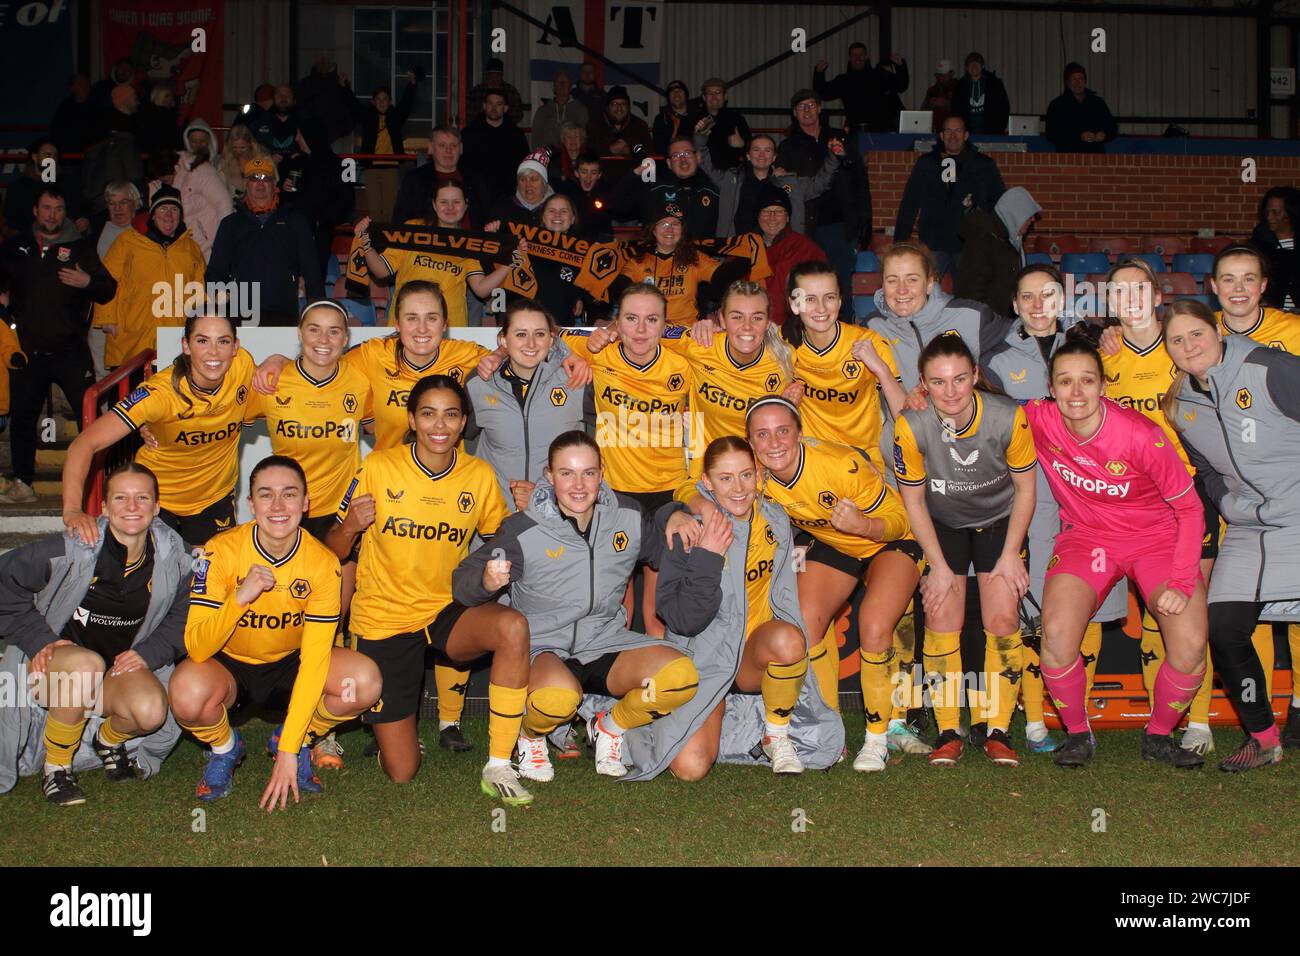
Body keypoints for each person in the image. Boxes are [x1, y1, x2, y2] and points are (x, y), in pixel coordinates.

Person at [327, 375, 535, 803]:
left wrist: (530, 513)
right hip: (384, 618)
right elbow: (332, 548)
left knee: (512, 627)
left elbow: (502, 537)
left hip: (446, 610)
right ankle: (385, 734)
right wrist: (350, 526)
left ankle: (499, 763)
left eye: (451, 414)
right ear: (411, 419)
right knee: (403, 772)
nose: (439, 425)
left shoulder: (478, 474)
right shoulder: (378, 467)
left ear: (462, 424)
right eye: (428, 413)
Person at [453, 432, 699, 780]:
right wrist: (486, 582)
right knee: (557, 700)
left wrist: (674, 513)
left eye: (589, 472)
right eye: (567, 473)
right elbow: (462, 583)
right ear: (549, 476)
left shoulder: (625, 517)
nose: (579, 485)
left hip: (604, 640)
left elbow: (664, 546)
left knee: (680, 677)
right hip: (544, 646)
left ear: (602, 474)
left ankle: (610, 726)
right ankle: (530, 736)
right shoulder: (522, 529)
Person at [1027, 339, 1208, 769]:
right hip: (1089, 538)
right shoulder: (1036, 419)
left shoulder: (1141, 435)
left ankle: (1159, 735)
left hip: (1155, 538)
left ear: (1104, 386)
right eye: (1065, 382)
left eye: (1086, 381)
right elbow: (973, 408)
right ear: (1050, 388)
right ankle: (1077, 734)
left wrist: (1182, 581)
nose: (1076, 393)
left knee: (1191, 644)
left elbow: (1189, 507)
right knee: (1054, 634)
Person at [624, 435, 843, 780]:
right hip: (705, 662)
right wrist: (708, 556)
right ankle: (630, 723)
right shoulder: (688, 528)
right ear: (707, 482)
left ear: (758, 473)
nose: (738, 488)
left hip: (752, 659)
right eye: (725, 478)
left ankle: (776, 735)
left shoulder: (775, 521)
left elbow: (785, 602)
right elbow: (681, 620)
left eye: (745, 474)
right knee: (690, 769)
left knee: (789, 639)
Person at [171, 456, 380, 806]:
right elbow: (196, 646)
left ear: (306, 502)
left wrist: (289, 748)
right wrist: (239, 598)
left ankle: (297, 737)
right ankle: (225, 748)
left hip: (290, 664)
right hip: (229, 666)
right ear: (251, 504)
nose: (278, 506)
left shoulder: (322, 564)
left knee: (362, 683)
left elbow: (314, 660)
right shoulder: (219, 551)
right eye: (266, 495)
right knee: (186, 694)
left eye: (290, 494)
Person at [745, 398, 921, 771]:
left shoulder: (840, 464)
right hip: (836, 542)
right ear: (751, 443)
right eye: (762, 434)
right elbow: (704, 484)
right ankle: (830, 731)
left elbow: (899, 519)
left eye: (782, 431)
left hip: (888, 539)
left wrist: (865, 526)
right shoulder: (758, 480)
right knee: (805, 623)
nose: (774, 442)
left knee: (873, 626)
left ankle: (877, 739)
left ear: (799, 433)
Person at [1162, 299, 1300, 771]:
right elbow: (1202, 469)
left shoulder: (1269, 367)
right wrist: (1225, 502)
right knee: (1223, 631)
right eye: (1176, 340)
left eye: (1196, 334)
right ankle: (1264, 739)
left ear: (1216, 331)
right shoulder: (1181, 403)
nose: (1188, 346)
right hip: (1248, 526)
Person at [0, 464, 190, 805]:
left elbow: (185, 616)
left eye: (142, 497)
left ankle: (107, 739)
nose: (132, 506)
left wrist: (150, 653)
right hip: (54, 672)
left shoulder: (176, 557)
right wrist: (38, 639)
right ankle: (56, 768)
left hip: (110, 676)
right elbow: (5, 581)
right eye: (121, 497)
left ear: (157, 506)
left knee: (150, 711)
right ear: (103, 507)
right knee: (85, 665)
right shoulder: (74, 548)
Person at [981, 264, 1113, 752]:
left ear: (1063, 299)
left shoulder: (1093, 348)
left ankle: (1077, 714)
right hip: (1028, 494)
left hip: (1087, 492)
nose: (1038, 305)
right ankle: (1035, 718)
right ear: (1015, 305)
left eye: (1048, 294)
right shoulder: (994, 359)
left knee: (1092, 603)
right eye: (1028, 297)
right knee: (1033, 604)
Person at [892, 335, 1036, 766]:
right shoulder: (911, 423)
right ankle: (949, 730)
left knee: (1003, 616)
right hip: (942, 524)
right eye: (938, 382)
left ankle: (997, 729)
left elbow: (1027, 490)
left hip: (999, 524)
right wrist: (936, 565)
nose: (950, 392)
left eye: (959, 379)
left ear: (975, 375)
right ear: (923, 383)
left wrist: (1011, 554)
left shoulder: (1009, 416)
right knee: (941, 615)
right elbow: (913, 501)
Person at [62, 313, 254, 547]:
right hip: (158, 502)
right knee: (152, 580)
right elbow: (84, 443)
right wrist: (72, 509)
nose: (213, 352)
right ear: (186, 345)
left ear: (236, 347)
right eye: (202, 341)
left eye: (223, 341)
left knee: (210, 580)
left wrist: (276, 359)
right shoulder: (158, 394)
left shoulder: (244, 365)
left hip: (214, 499)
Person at [573, 285, 691, 636]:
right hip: (615, 493)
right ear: (617, 323)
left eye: (651, 320)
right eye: (631, 319)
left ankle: (660, 682)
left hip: (667, 493)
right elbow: (545, 336)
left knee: (657, 609)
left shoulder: (685, 364)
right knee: (615, 598)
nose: (640, 330)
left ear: (665, 324)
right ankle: (612, 677)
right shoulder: (598, 352)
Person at [0, 185, 116, 505]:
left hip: (70, 350)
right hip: (27, 351)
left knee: (90, 416)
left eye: (59, 209)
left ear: (66, 213)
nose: (53, 215)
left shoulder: (80, 247)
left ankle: (98, 486)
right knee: (22, 419)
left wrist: (87, 282)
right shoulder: (15, 246)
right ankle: (23, 482)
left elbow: (108, 288)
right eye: (47, 208)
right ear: (36, 211)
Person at [244, 301, 372, 543]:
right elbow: (220, 416)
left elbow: (386, 427)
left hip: (341, 510)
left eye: (333, 331)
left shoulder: (360, 382)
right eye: (314, 329)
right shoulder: (272, 381)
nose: (323, 340)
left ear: (345, 338)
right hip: (286, 510)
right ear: (299, 333)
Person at [465, 300, 588, 511]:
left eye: (539, 334)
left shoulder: (577, 380)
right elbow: (462, 445)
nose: (531, 344)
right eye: (520, 334)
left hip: (561, 521)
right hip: (497, 522)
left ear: (551, 340)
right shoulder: (479, 383)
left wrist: (548, 498)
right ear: (503, 339)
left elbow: (597, 458)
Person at [355, 180, 520, 328]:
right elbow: (381, 270)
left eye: (456, 202)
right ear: (434, 204)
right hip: (408, 326)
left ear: (466, 205)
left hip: (451, 333)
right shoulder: (412, 229)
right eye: (443, 202)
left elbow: (481, 289)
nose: (450, 207)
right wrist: (366, 245)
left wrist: (509, 263)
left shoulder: (470, 241)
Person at [776, 91, 871, 319]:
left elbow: (860, 180)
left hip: (840, 224)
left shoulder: (840, 137)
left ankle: (844, 331)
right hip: (805, 227)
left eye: (811, 105)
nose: (807, 110)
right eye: (801, 107)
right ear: (794, 114)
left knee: (840, 284)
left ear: (819, 108)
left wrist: (864, 222)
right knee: (804, 283)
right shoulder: (788, 146)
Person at [92, 184, 205, 370]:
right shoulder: (128, 241)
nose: (169, 214)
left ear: (180, 216)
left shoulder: (191, 249)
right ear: (153, 214)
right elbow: (106, 280)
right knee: (129, 395)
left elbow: (198, 291)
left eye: (174, 209)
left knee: (170, 394)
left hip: (174, 337)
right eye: (163, 208)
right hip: (133, 334)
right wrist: (107, 318)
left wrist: (199, 326)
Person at [206, 157, 324, 326]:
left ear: (274, 184)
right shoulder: (230, 224)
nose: (260, 184)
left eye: (265, 178)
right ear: (246, 184)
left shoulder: (295, 221)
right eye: (254, 178)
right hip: (241, 315)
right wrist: (221, 306)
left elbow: (312, 270)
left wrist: (317, 312)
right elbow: (215, 271)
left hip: (284, 313)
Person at [894, 116, 1007, 279]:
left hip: (970, 245)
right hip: (933, 244)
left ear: (966, 135)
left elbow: (998, 201)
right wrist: (900, 242)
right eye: (948, 131)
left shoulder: (984, 165)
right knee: (927, 295)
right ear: (941, 135)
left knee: (968, 297)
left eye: (958, 131)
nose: (953, 136)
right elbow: (909, 203)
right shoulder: (926, 164)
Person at [696, 126, 840, 238]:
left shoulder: (788, 183)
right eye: (756, 150)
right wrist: (700, 138)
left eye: (767, 150)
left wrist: (833, 156)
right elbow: (705, 164)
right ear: (748, 155)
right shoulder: (731, 180)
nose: (762, 155)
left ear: (774, 157)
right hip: (738, 252)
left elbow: (820, 184)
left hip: (778, 253)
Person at [611, 203, 741, 326]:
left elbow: (724, 276)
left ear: (682, 230)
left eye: (675, 224)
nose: (669, 229)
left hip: (687, 331)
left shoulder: (694, 258)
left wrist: (747, 256)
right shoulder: (639, 260)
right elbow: (617, 290)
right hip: (651, 330)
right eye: (663, 223)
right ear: (653, 230)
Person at [280, 118, 356, 278]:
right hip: (295, 231)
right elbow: (288, 197)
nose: (296, 139)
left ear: (310, 136)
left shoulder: (340, 165)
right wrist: (285, 188)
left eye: (300, 134)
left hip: (319, 233)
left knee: (314, 277)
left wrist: (322, 220)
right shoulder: (299, 162)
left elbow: (346, 200)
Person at [609, 135, 721, 238]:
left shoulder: (714, 191)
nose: (683, 160)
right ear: (669, 163)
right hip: (660, 257)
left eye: (687, 153)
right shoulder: (654, 189)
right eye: (676, 155)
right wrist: (633, 175)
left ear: (698, 157)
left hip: (703, 257)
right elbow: (616, 206)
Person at [955, 186, 1043, 316]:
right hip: (987, 324)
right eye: (1029, 215)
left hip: (998, 322)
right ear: (1016, 214)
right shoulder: (984, 240)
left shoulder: (1011, 241)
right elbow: (971, 291)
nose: (1033, 219)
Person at [347, 73, 419, 225]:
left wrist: (411, 85)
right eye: (378, 99)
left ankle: (388, 241)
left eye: (385, 99)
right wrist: (344, 87)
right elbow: (353, 105)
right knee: (374, 208)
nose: (382, 102)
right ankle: (376, 240)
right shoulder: (367, 116)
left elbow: (406, 105)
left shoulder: (395, 116)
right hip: (371, 168)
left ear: (390, 101)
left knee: (390, 208)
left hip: (390, 167)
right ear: (373, 102)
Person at [392, 124, 490, 228]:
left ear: (461, 149)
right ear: (430, 148)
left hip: (471, 241)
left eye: (453, 145)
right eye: (442, 145)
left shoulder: (476, 179)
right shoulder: (414, 180)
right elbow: (399, 220)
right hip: (428, 242)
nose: (448, 150)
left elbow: (492, 212)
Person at [757, 188, 827, 328]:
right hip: (753, 326)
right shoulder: (747, 247)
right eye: (766, 211)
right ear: (758, 217)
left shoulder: (804, 248)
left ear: (788, 217)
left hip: (793, 327)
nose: (772, 217)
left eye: (779, 211)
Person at [521, 193, 594, 324]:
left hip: (565, 328)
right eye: (552, 211)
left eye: (564, 211)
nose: (557, 215)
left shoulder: (584, 252)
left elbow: (585, 286)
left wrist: (580, 297)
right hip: (529, 325)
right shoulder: (526, 246)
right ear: (543, 217)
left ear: (572, 218)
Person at [813, 42, 909, 133]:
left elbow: (901, 86)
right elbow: (823, 93)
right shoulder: (844, 81)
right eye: (854, 55)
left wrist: (900, 67)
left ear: (866, 57)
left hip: (883, 131)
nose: (858, 58)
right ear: (850, 58)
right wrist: (818, 74)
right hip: (856, 133)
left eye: (861, 55)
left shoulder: (879, 75)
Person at [173, 119, 233, 261]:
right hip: (190, 236)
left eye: (202, 141)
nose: (198, 145)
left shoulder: (218, 164)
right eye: (194, 141)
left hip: (209, 238)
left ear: (210, 141)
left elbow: (224, 205)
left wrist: (224, 239)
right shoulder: (182, 168)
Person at [461, 90, 530, 210]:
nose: (494, 108)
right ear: (484, 106)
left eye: (499, 104)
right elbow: (463, 165)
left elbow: (524, 165)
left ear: (505, 108)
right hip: (476, 196)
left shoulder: (516, 135)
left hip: (509, 195)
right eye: (490, 103)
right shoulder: (469, 134)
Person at [1045, 63, 1117, 154]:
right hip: (1068, 159)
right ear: (1067, 82)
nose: (1077, 82)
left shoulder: (1098, 103)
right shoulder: (1057, 105)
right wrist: (1078, 136)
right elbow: (1052, 134)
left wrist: (1105, 135)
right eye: (1074, 79)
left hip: (1095, 158)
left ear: (1085, 81)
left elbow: (1113, 128)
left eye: (1081, 78)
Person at [1249, 187, 1300, 311]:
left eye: (1276, 212)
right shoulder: (1258, 244)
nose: (1270, 217)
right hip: (1272, 313)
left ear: (1291, 213)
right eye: (1267, 212)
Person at [484, 150, 556, 228]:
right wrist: (491, 233)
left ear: (544, 183)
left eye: (533, 179)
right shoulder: (503, 207)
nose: (528, 185)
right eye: (522, 180)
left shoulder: (558, 207)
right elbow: (487, 237)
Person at [694, 78, 750, 171]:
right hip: (700, 172)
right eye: (710, 93)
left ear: (725, 96)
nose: (714, 97)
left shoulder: (737, 119)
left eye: (718, 92)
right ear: (704, 98)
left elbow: (752, 149)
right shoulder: (693, 119)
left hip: (730, 172)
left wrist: (742, 144)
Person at [586, 86, 653, 159]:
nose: (619, 108)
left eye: (623, 103)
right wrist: (611, 150)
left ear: (628, 107)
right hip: (603, 168)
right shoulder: (595, 125)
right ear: (608, 107)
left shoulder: (639, 125)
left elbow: (650, 151)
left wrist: (630, 150)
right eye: (614, 104)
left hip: (634, 168)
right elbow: (590, 152)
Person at [952, 52, 1011, 135]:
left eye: (977, 63)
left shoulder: (995, 83)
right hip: (966, 133)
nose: (974, 66)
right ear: (966, 67)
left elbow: (1004, 107)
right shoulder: (959, 86)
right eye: (971, 64)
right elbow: (955, 109)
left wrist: (999, 129)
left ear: (983, 66)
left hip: (991, 132)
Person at [217, 124, 275, 204]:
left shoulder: (264, 159)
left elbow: (273, 184)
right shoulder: (224, 162)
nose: (238, 151)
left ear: (250, 144)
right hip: (232, 208)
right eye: (235, 147)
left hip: (260, 205)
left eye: (242, 148)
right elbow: (219, 191)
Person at [531, 71, 589, 151]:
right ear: (554, 87)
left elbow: (584, 138)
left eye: (565, 82)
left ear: (570, 87)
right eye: (559, 82)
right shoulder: (543, 111)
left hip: (572, 154)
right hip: (547, 157)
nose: (562, 85)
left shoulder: (580, 110)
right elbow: (536, 138)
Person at [51, 73, 102, 155]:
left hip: (91, 155)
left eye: (87, 84)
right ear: (72, 88)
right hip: (68, 154)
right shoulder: (64, 108)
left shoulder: (96, 108)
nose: (85, 87)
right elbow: (56, 132)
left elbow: (99, 134)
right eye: (80, 84)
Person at [249, 84, 300, 164]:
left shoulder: (304, 123)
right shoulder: (258, 122)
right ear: (273, 100)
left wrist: (301, 157)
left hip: (297, 172)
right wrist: (266, 158)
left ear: (294, 100)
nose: (283, 98)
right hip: (266, 171)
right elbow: (246, 149)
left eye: (288, 95)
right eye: (279, 94)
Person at [467, 58, 525, 126]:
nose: (494, 78)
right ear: (486, 75)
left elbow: (518, 114)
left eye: (497, 75)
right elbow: (468, 114)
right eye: (491, 75)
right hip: (480, 129)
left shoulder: (510, 91)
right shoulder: (477, 91)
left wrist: (501, 119)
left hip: (504, 130)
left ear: (502, 75)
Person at [652, 79, 699, 157]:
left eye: (679, 90)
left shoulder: (698, 115)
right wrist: (675, 129)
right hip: (671, 163)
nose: (676, 93)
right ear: (668, 97)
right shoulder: (661, 119)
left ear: (686, 95)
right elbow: (660, 150)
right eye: (672, 92)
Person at [97, 181, 142, 258]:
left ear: (135, 203)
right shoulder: (98, 233)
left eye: (123, 202)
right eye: (112, 203)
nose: (117, 208)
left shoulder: (147, 228)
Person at [922, 59, 957, 131]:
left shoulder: (959, 88)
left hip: (954, 129)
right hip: (936, 130)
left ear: (951, 74)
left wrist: (946, 104)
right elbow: (923, 112)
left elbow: (963, 110)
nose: (942, 78)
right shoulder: (932, 91)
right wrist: (929, 104)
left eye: (945, 75)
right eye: (940, 75)